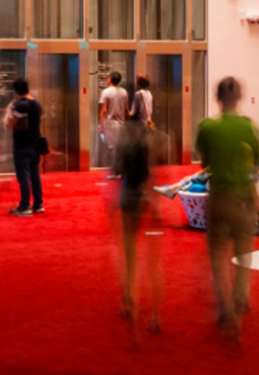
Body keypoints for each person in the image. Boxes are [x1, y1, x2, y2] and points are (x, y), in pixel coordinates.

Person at [195, 76, 259, 335]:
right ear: (240, 97)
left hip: (220, 196)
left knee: (218, 258)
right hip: (244, 196)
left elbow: (205, 161)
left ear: (218, 97)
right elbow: (257, 161)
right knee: (244, 253)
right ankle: (241, 299)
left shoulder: (207, 127)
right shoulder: (248, 126)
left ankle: (225, 312)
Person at [112, 117, 162, 332]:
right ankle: (155, 317)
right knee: (154, 263)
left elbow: (116, 168)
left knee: (129, 252)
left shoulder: (124, 144)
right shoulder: (150, 143)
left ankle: (129, 301)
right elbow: (154, 173)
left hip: (128, 197)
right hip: (147, 198)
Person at [4, 78, 44, 217]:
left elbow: (12, 123)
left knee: (23, 177)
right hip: (35, 144)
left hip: (22, 145)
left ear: (16, 91)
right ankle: (38, 204)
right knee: (35, 175)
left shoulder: (21, 106)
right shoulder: (36, 104)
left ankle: (25, 206)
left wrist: (10, 111)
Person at [99, 71, 129, 165]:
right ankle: (120, 169)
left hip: (110, 124)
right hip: (121, 123)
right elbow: (126, 109)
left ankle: (116, 170)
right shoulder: (124, 92)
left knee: (112, 148)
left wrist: (101, 126)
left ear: (110, 79)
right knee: (120, 147)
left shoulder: (106, 92)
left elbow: (104, 110)